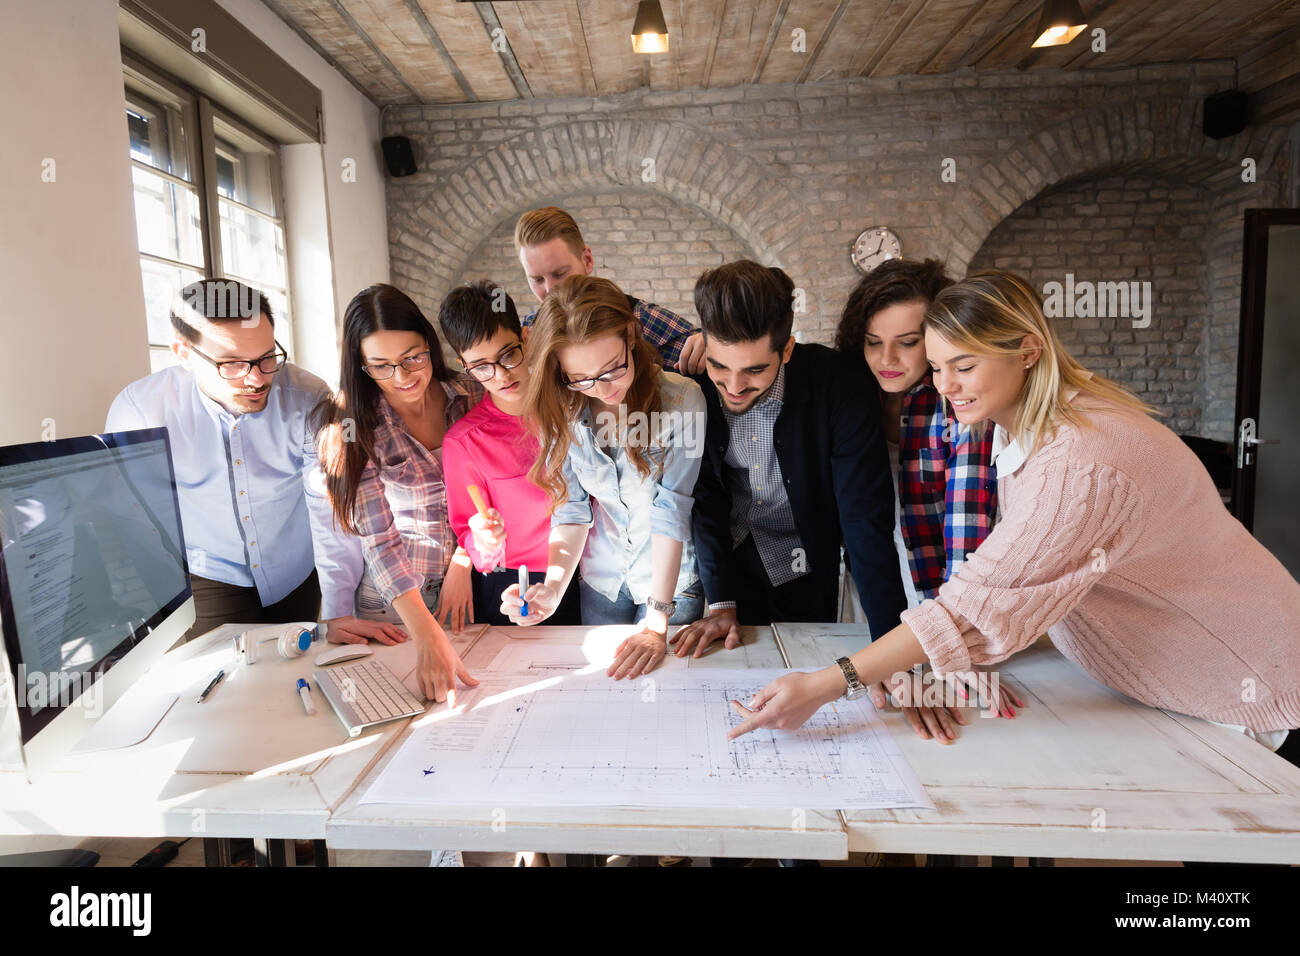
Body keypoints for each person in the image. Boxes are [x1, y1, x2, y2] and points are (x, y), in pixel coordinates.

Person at [729, 270, 1300, 773]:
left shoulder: (1083, 463)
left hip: (1260, 691)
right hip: (1185, 687)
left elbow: (977, 601)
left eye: (964, 365)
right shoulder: (1026, 426)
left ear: (1028, 351)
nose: (944, 385)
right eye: (937, 366)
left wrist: (825, 685)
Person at [105, 278, 374, 644]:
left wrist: (338, 609)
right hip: (209, 576)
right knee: (223, 686)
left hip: (295, 570)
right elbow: (130, 522)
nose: (256, 379)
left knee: (295, 673)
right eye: (231, 364)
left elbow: (329, 505)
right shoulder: (141, 412)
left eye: (266, 358)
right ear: (183, 353)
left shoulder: (309, 397)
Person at [669, 260, 906, 659]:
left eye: (754, 370)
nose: (734, 386)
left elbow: (864, 518)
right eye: (719, 366)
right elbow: (705, 497)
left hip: (809, 562)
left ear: (788, 348)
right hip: (730, 560)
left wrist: (893, 654)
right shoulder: (696, 387)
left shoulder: (841, 382)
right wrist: (721, 601)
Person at [835, 258, 1019, 744]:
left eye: (908, 343)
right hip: (866, 596)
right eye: (873, 342)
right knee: (869, 721)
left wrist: (954, 649)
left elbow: (967, 534)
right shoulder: (853, 403)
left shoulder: (956, 406)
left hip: (940, 596)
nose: (887, 358)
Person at [500, 274, 707, 680]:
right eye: (580, 378)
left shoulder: (683, 401)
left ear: (630, 334)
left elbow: (672, 512)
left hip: (671, 585)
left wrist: (657, 622)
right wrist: (552, 589)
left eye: (612, 369)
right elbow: (572, 510)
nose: (602, 389)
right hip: (601, 578)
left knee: (670, 692)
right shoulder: (560, 407)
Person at [313, 284, 481, 703]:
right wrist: (424, 633)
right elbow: (379, 540)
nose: (403, 378)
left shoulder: (472, 395)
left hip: (471, 587)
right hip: (395, 602)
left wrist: (464, 558)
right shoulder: (349, 426)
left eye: (412, 358)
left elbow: (495, 491)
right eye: (382, 366)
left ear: (430, 344)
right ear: (361, 365)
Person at [440, 279, 582, 626]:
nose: (501, 374)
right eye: (482, 366)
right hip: (513, 585)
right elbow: (469, 536)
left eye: (508, 354)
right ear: (464, 365)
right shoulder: (464, 442)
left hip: (586, 574)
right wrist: (485, 542)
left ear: (526, 337)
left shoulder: (573, 405)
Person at [514, 206, 707, 374]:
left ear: (587, 260)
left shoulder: (639, 317)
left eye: (560, 273)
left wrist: (710, 343)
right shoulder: (529, 330)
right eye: (537, 279)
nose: (550, 289)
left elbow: (704, 348)